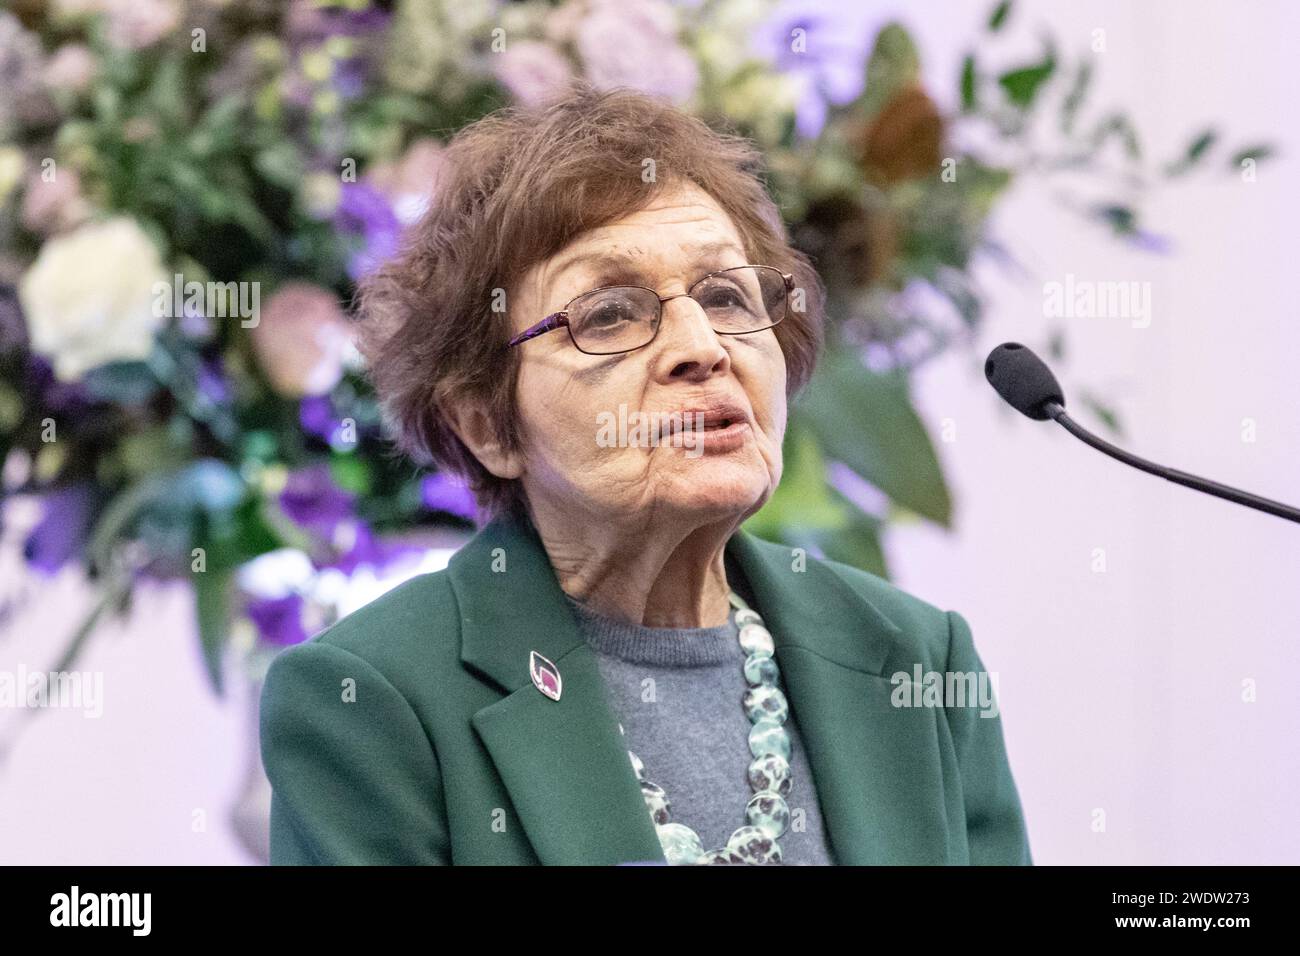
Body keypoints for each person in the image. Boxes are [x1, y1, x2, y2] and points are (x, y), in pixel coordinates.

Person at [258, 85, 1032, 866]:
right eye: (609, 314)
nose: (703, 346)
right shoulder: (371, 701)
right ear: (487, 424)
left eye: (728, 296)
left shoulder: (918, 659)